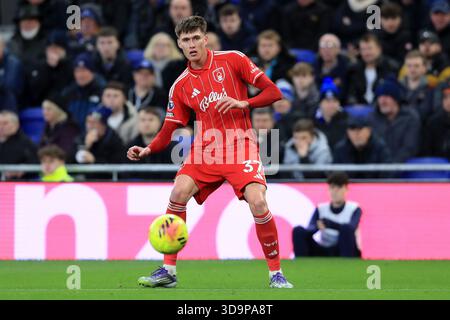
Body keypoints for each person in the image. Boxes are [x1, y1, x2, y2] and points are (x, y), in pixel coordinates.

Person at [127, 16, 293, 289]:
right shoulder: (180, 85)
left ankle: (276, 273)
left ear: (205, 39)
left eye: (195, 38)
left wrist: (244, 102)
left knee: (258, 203)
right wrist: (148, 148)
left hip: (240, 145)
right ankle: (169, 271)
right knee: (178, 193)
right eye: (185, 40)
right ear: (178, 44)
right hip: (206, 149)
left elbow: (274, 92)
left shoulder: (233, 60)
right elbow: (169, 128)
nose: (191, 44)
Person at [292, 172, 362, 257]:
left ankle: (347, 264)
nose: (335, 191)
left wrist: (330, 224)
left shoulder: (354, 208)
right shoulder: (321, 208)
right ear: (328, 189)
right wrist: (317, 227)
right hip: (324, 249)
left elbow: (351, 227)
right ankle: (301, 264)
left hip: (343, 249)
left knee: (346, 229)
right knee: (298, 230)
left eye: (339, 187)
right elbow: (310, 229)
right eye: (332, 187)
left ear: (346, 189)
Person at [370, 77, 422, 163]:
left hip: (403, 168)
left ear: (396, 99)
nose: (382, 101)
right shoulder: (371, 118)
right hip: (376, 169)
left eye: (386, 96)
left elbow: (409, 148)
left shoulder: (410, 118)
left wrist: (391, 168)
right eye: (379, 97)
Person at [346, 33, 399, 105]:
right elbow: (351, 94)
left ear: (379, 49)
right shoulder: (354, 70)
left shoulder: (391, 67)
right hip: (358, 110)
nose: (367, 53)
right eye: (363, 49)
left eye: (370, 48)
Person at [61, 53, 105, 131]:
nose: (80, 75)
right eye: (77, 71)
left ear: (92, 72)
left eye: (84, 70)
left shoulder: (102, 91)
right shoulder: (69, 92)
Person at [399, 50, 436, 122]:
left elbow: (425, 113)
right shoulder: (397, 87)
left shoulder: (431, 87)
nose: (412, 69)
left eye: (416, 66)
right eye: (409, 66)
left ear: (424, 68)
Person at [0, 110, 38, 180]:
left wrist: (21, 170)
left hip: (18, 182)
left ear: (16, 124)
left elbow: (35, 163)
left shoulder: (26, 143)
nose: (1, 127)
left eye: (5, 123)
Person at [315, 79, 348, 151]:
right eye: (327, 101)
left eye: (334, 101)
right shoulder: (312, 119)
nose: (331, 105)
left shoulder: (346, 119)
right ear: (320, 103)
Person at [101, 81, 138, 145]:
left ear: (124, 99)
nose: (111, 99)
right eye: (108, 96)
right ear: (102, 98)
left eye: (116, 96)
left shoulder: (135, 118)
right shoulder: (94, 117)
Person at [423, 85, 450, 160]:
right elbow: (427, 150)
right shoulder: (433, 122)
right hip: (437, 167)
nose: (448, 101)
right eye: (445, 97)